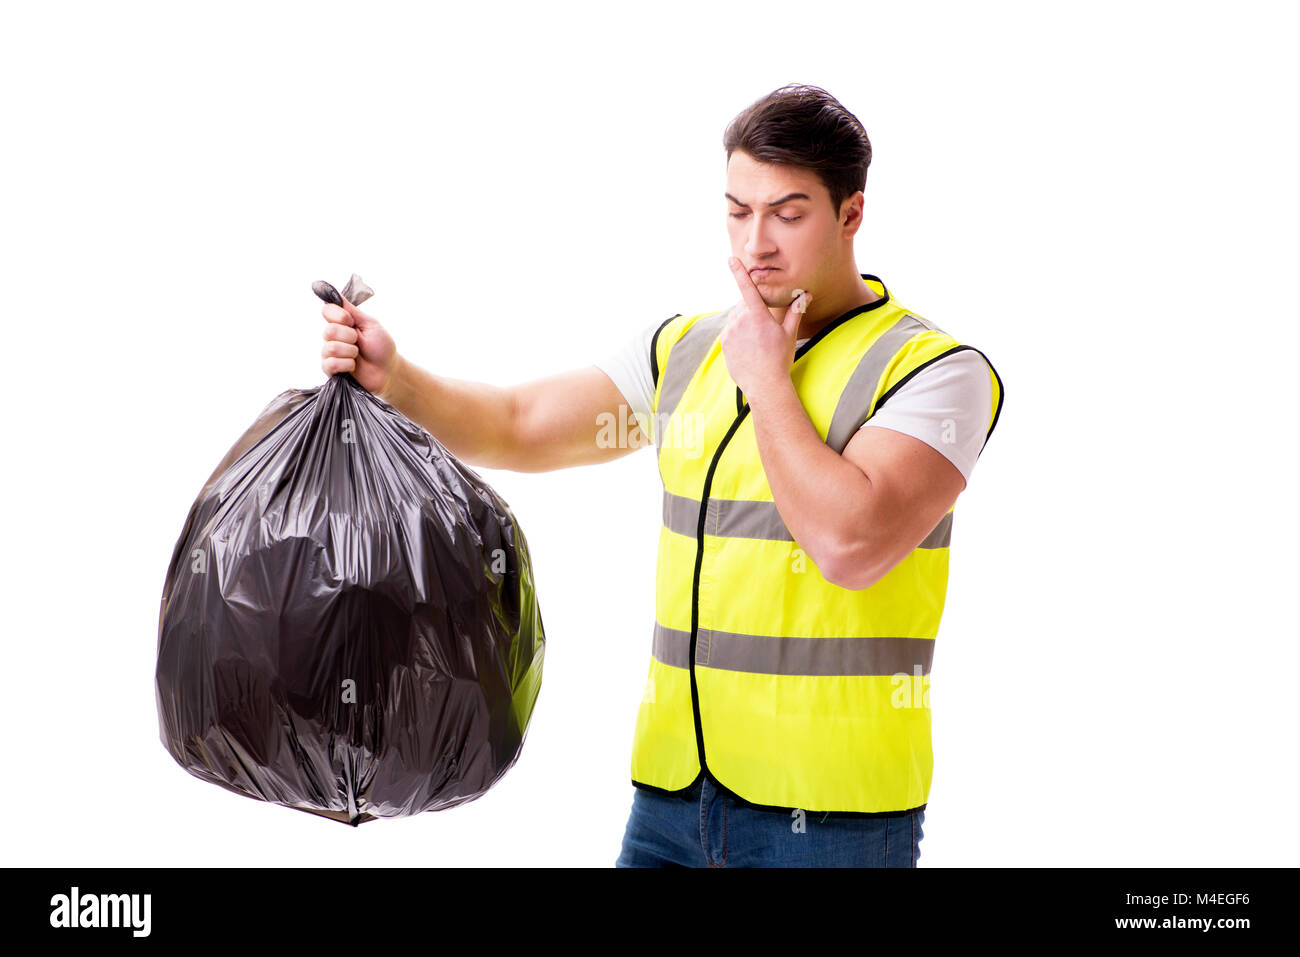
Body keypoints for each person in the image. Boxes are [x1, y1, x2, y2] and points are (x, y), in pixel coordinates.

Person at [319, 83, 1004, 868]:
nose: (756, 245)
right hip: (672, 802)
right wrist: (397, 377)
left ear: (851, 214)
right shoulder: (688, 350)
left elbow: (850, 544)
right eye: (738, 211)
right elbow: (521, 422)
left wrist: (769, 383)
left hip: (834, 821)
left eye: (788, 212)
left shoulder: (936, 372)